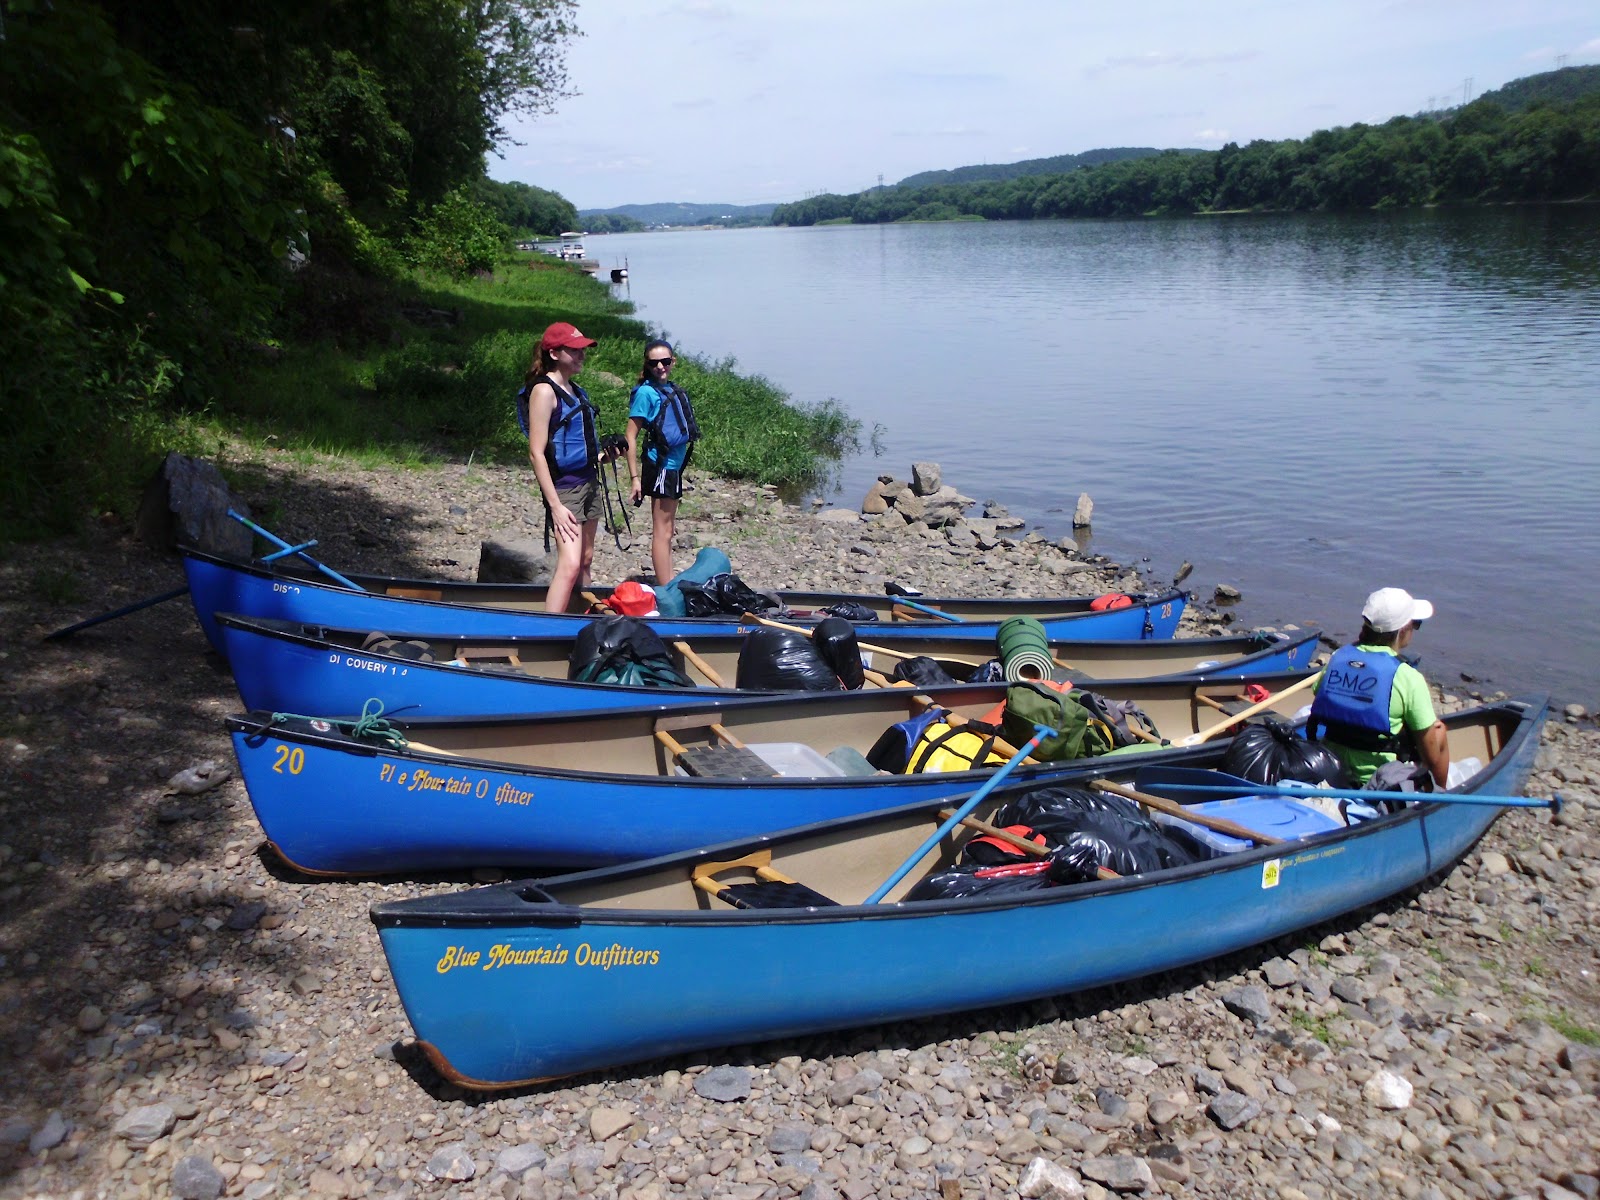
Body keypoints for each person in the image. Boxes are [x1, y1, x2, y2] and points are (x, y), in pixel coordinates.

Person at [1307, 587, 1450, 789]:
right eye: (1415, 624)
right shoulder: (1407, 677)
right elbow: (1431, 753)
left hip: (1332, 767)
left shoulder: (1338, 658)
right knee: (1438, 730)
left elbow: (1320, 694)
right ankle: (1437, 796)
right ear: (1402, 631)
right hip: (1381, 780)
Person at [522, 321, 613, 612]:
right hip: (564, 489)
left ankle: (578, 623)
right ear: (554, 353)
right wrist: (556, 507)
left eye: (582, 350)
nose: (581, 355)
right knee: (570, 563)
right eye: (574, 350)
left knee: (585, 558)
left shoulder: (576, 390)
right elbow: (536, 453)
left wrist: (606, 456)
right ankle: (547, 633)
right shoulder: (544, 392)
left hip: (589, 481)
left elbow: (577, 445)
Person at [625, 339, 701, 584]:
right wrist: (635, 478)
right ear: (647, 364)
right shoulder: (646, 393)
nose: (660, 367)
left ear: (673, 362)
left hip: (673, 469)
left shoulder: (669, 388)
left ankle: (667, 582)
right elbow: (630, 437)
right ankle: (666, 587)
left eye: (665, 362)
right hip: (661, 467)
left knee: (668, 531)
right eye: (654, 362)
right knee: (662, 531)